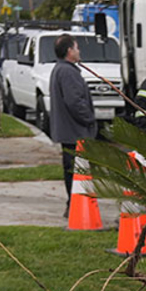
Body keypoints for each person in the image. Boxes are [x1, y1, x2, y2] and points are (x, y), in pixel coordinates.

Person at [48, 33, 97, 215]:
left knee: (72, 171)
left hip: (67, 131)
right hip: (74, 131)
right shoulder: (68, 72)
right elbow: (74, 102)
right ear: (69, 51)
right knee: (76, 172)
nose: (79, 51)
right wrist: (89, 119)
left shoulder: (60, 69)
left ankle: (74, 206)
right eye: (76, 47)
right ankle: (76, 207)